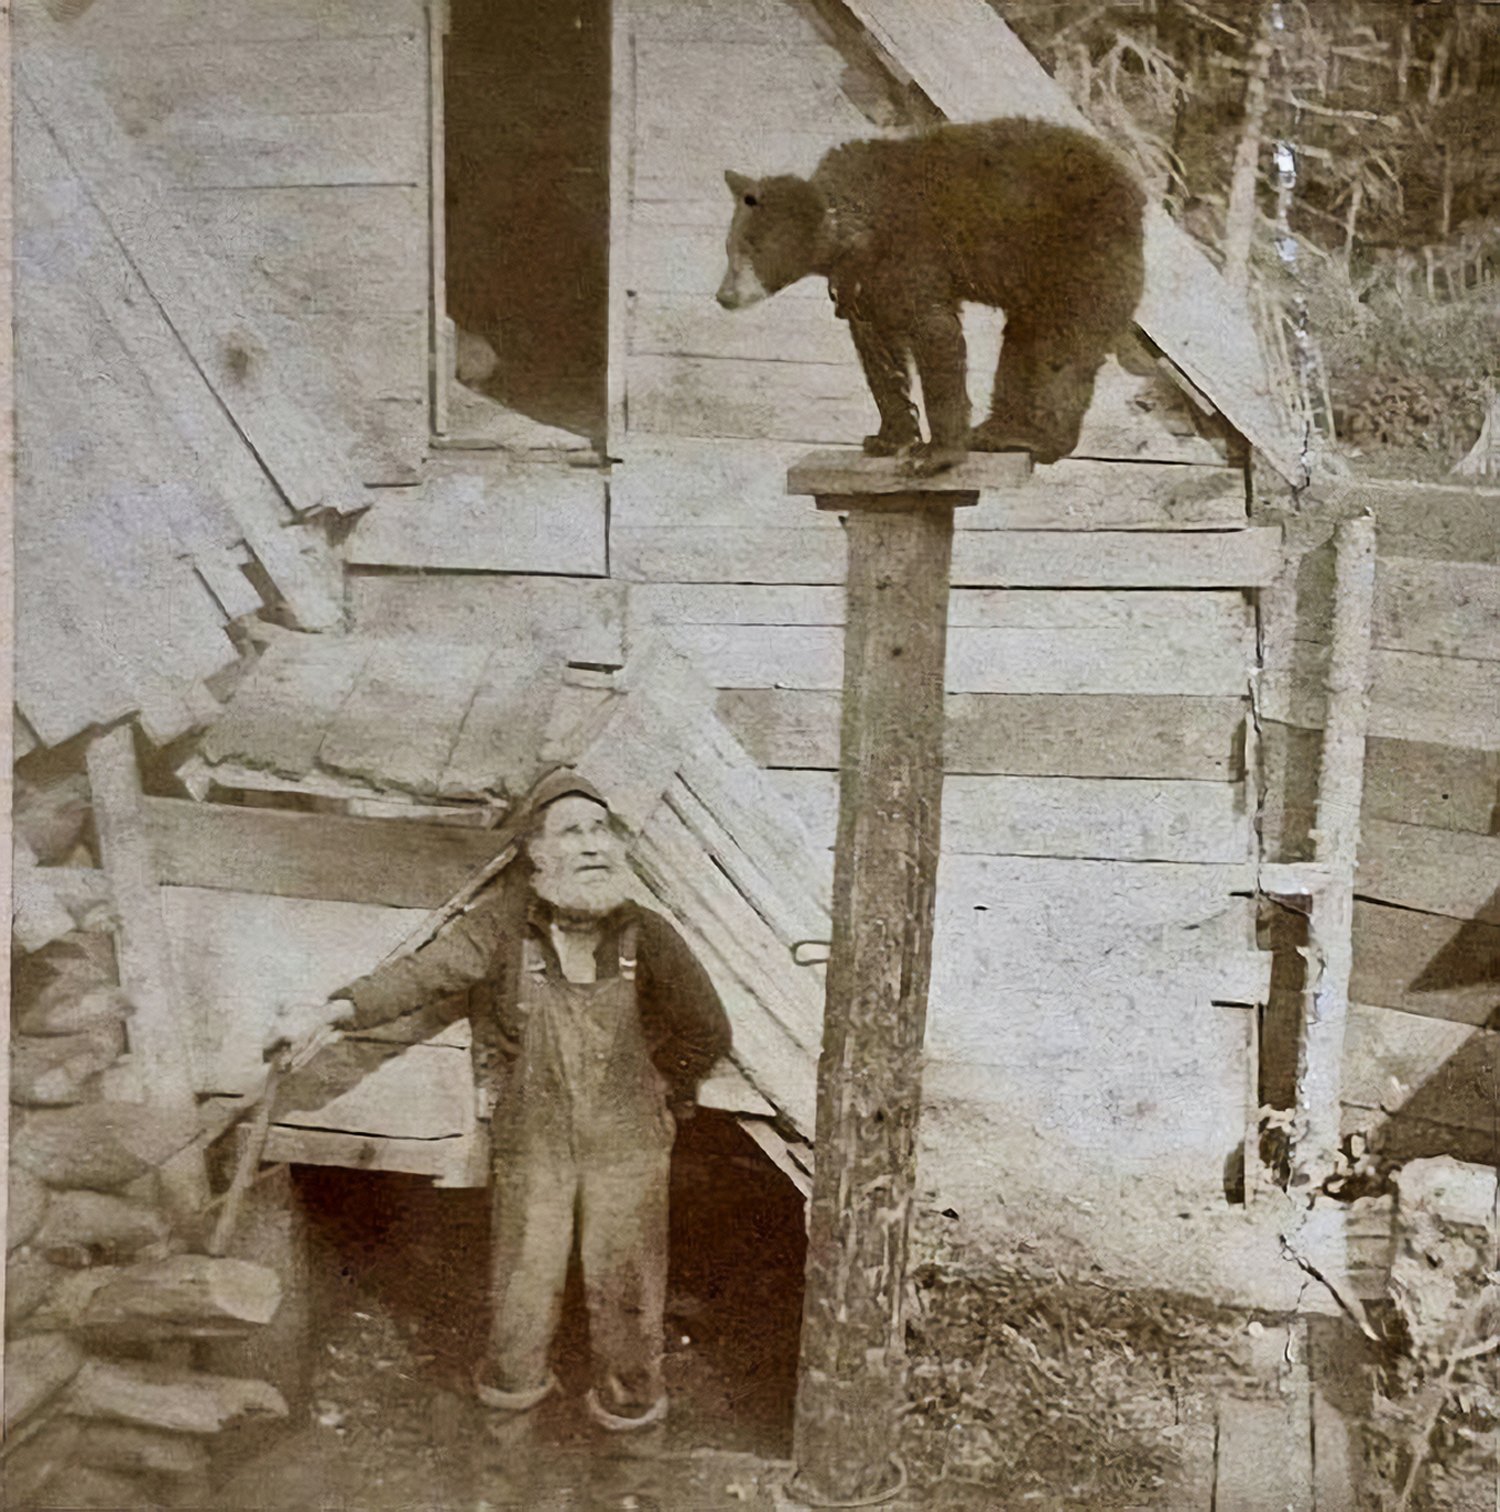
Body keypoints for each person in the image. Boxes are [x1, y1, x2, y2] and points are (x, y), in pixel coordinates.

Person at [269, 768, 732, 1435]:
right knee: (522, 1284)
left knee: (629, 1288)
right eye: (573, 832)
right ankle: (509, 1424)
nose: (595, 845)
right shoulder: (504, 930)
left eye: (602, 830)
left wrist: (664, 1083)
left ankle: (630, 1422)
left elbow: (707, 1029)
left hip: (628, 1144)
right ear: (538, 854)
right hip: (535, 1139)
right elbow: (421, 975)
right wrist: (333, 1010)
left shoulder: (648, 936)